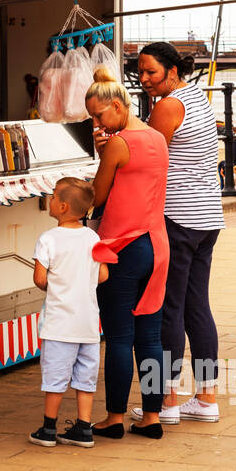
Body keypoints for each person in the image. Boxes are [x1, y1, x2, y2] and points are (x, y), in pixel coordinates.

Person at [133, 42, 223, 423]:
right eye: (140, 72)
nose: (144, 79)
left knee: (168, 307)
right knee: (196, 306)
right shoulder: (196, 97)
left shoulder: (168, 106)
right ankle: (206, 399)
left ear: (172, 70)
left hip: (178, 218)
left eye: (151, 72)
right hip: (207, 217)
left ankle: (166, 401)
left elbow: (146, 155)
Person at [85, 68, 169, 439]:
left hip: (122, 247)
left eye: (99, 115)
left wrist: (98, 158)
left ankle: (114, 417)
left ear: (117, 106)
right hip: (156, 245)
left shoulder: (120, 144)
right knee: (149, 336)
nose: (96, 122)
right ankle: (152, 417)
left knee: (119, 336)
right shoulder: (156, 138)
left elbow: (97, 197)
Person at [29, 177, 107, 448]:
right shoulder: (92, 237)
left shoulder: (48, 239)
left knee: (55, 377)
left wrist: (58, 285)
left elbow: (40, 279)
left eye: (51, 197)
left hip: (59, 323)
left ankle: (48, 429)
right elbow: (104, 274)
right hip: (88, 325)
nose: (48, 201)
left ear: (62, 207)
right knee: (85, 378)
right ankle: (84, 429)